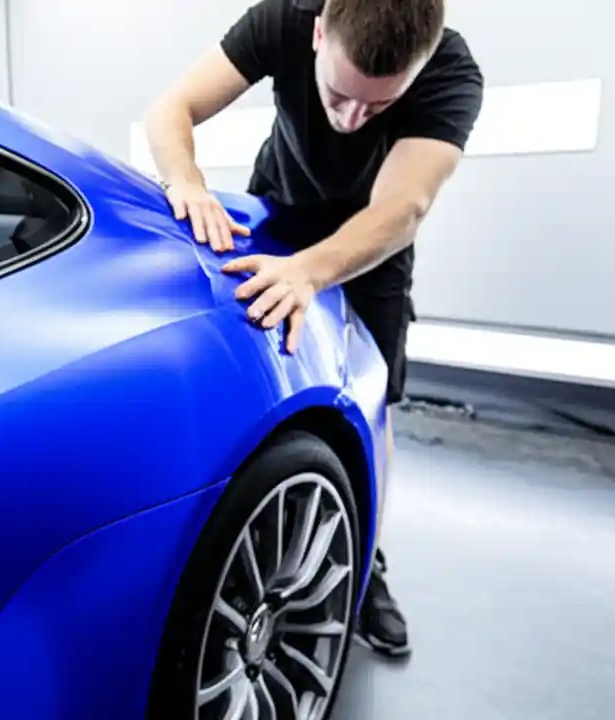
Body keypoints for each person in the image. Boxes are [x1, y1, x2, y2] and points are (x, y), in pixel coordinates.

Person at [144, 0, 483, 657]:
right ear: (319, 33)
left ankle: (364, 559)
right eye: (339, 93)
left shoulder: (452, 72)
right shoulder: (282, 19)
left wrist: (312, 273)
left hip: (371, 244)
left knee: (372, 405)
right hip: (277, 214)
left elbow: (403, 208)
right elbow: (170, 110)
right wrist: (185, 181)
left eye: (378, 108)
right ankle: (267, 538)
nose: (353, 120)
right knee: (263, 383)